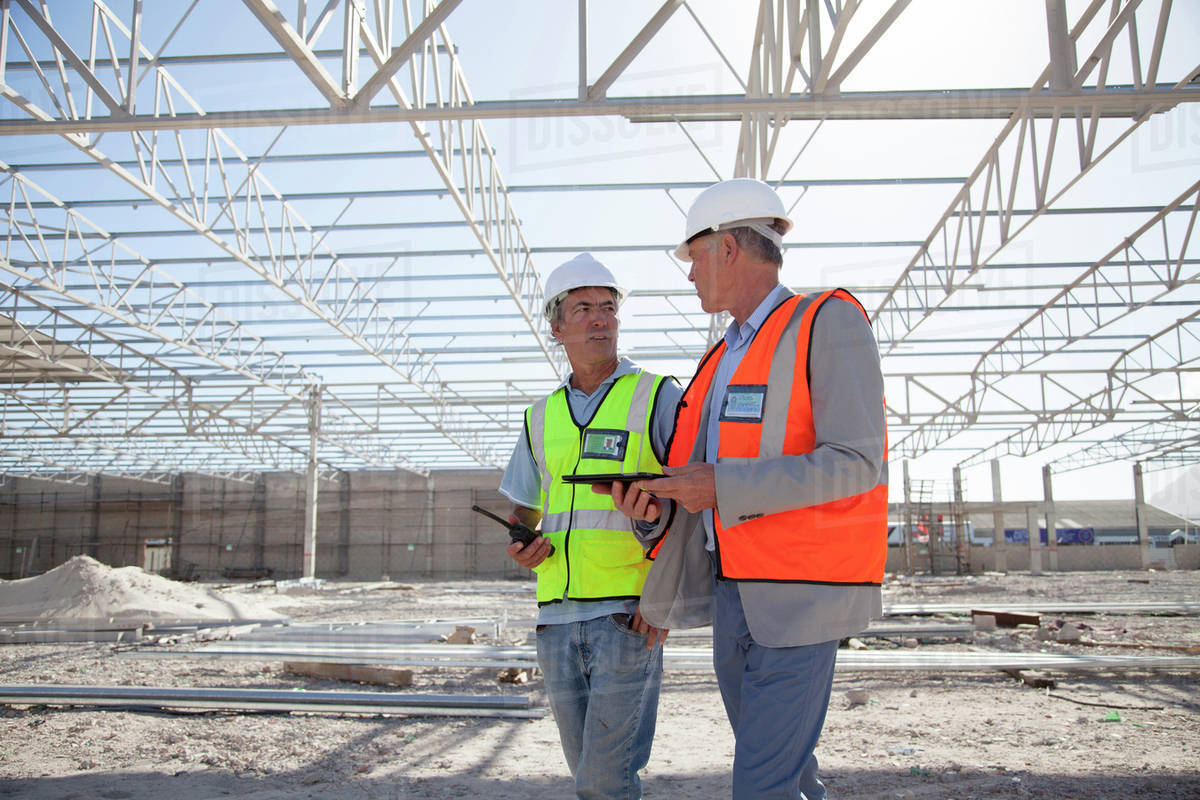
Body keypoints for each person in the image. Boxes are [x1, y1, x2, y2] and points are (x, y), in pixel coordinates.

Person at [608, 178, 888, 799]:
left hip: (798, 598)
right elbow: (700, 483)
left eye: (694, 259)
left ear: (728, 248)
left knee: (761, 785)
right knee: (784, 776)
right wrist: (653, 508)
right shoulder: (720, 358)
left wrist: (723, 486)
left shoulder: (827, 322)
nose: (690, 277)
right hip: (732, 594)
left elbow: (856, 462)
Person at [498, 252, 680, 800]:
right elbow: (524, 510)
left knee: (604, 780)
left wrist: (667, 601)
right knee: (590, 775)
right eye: (583, 309)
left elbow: (693, 503)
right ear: (557, 328)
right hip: (556, 617)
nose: (600, 319)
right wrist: (521, 541)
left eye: (608, 308)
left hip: (628, 614)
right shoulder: (540, 416)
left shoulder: (656, 396)